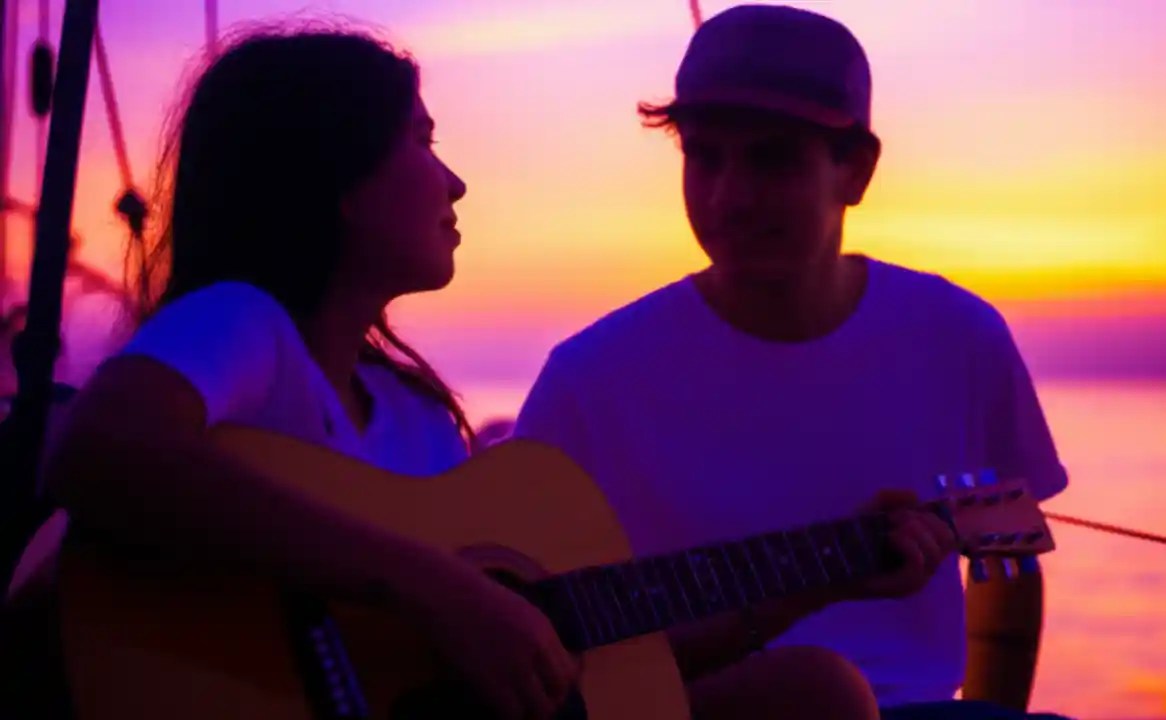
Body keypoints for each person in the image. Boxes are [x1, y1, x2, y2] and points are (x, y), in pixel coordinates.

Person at [25, 24, 878, 720]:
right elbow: (103, 450)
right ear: (341, 180)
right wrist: (422, 581)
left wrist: (802, 586)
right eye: (423, 142)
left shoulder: (417, 417)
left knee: (814, 690)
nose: (457, 181)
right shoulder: (245, 326)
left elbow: (553, 644)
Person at [514, 5, 1071, 719]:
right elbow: (521, 629)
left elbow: (1007, 557)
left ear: (857, 171)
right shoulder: (589, 381)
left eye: (772, 159)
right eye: (703, 156)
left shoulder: (958, 335)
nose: (730, 197)